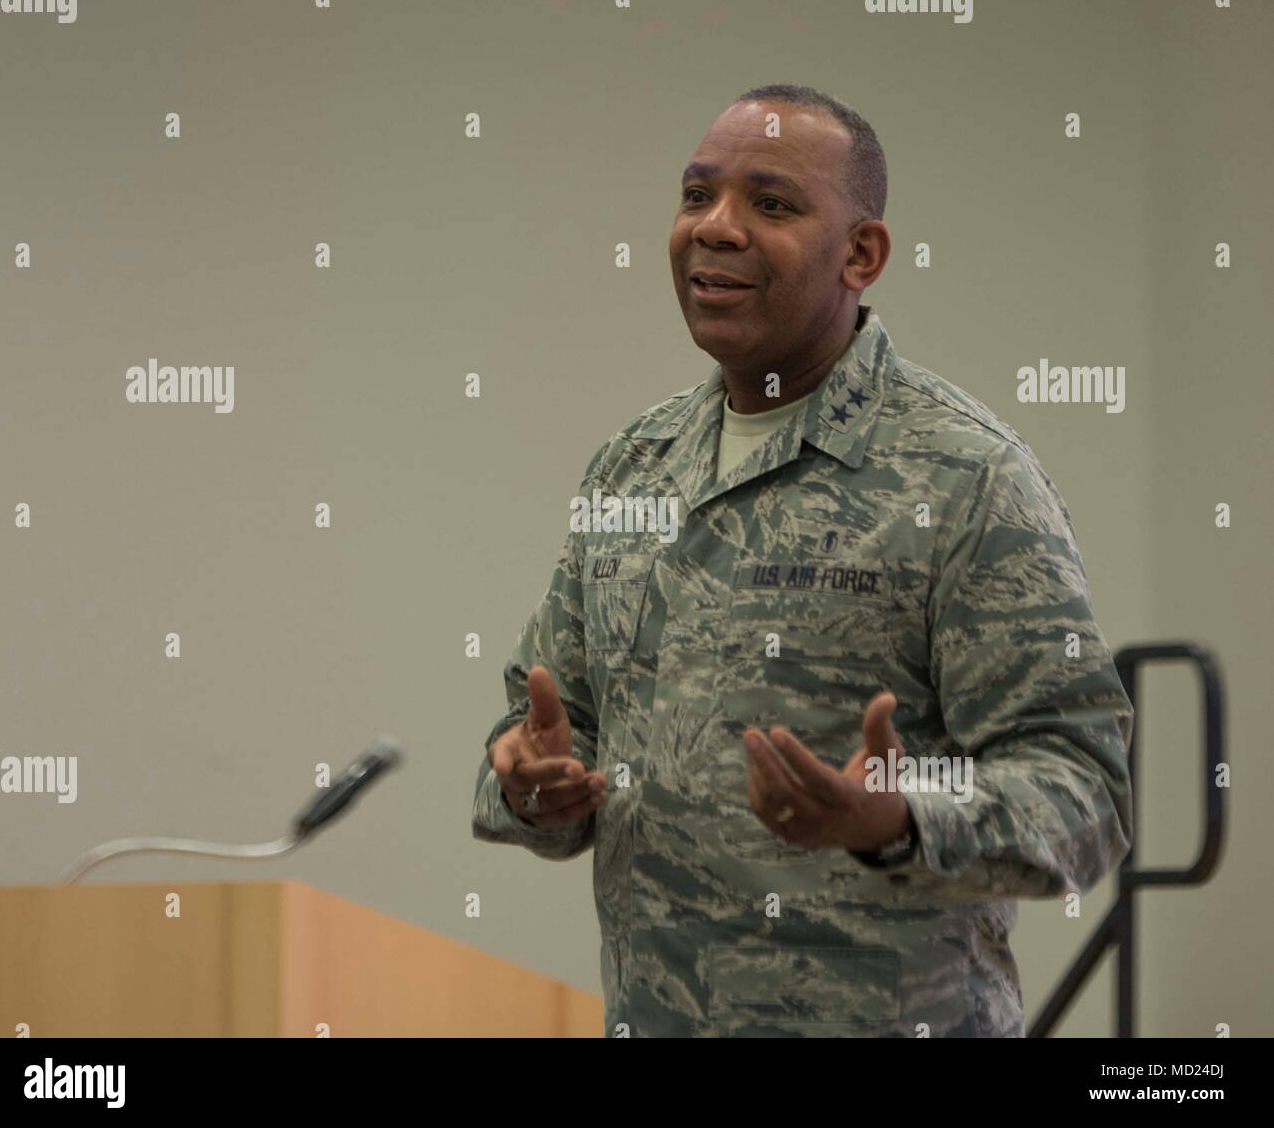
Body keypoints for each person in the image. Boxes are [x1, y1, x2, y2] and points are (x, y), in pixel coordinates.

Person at [471, 83, 1133, 1037]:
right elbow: (544, 734)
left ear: (861, 254)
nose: (716, 229)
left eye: (771, 205)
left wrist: (899, 816)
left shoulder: (965, 477)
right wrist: (529, 785)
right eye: (697, 196)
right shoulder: (631, 466)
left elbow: (1088, 793)